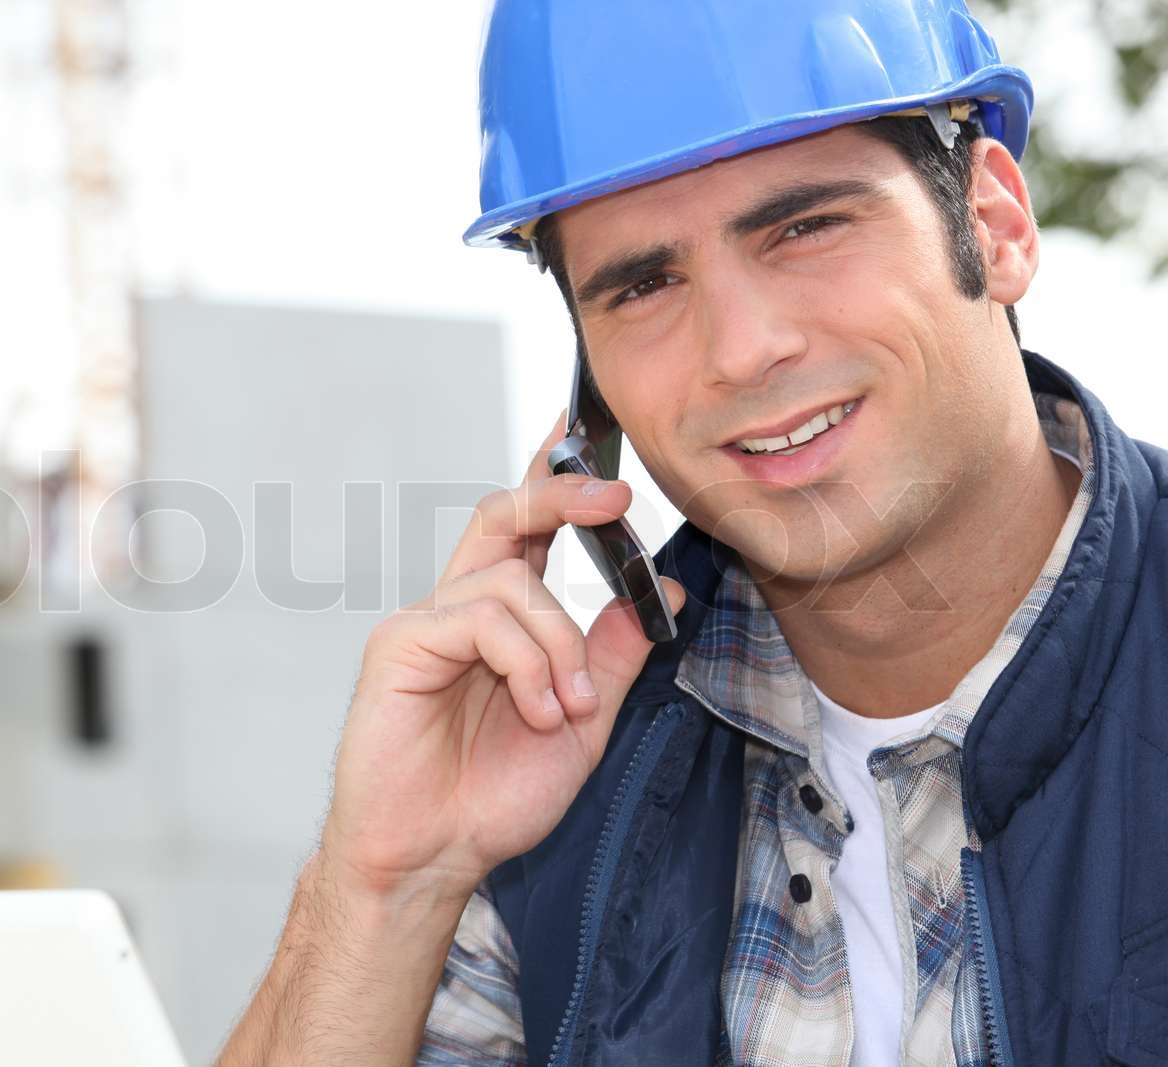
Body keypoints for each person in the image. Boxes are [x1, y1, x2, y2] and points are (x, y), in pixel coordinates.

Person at [216, 2, 1168, 1064]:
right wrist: (390, 879)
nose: (742, 349)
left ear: (991, 225)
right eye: (643, 284)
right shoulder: (558, 791)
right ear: (590, 387)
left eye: (804, 227)